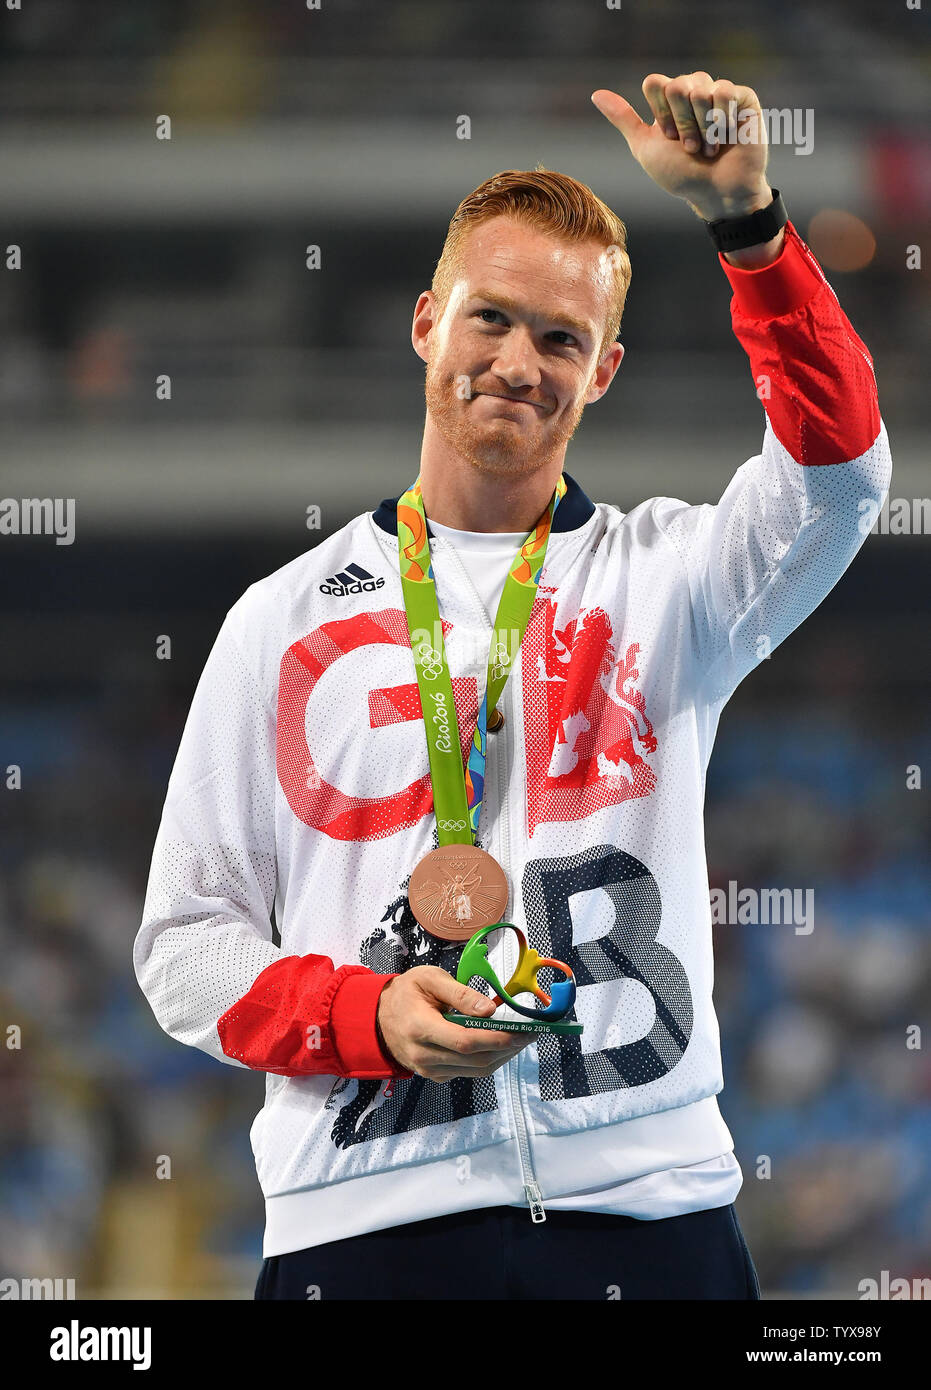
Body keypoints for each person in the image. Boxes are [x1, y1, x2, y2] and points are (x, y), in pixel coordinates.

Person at [134, 70, 891, 1300]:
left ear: (603, 372)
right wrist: (361, 1017)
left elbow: (841, 478)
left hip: (659, 1221)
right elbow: (182, 950)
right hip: (364, 1233)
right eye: (490, 318)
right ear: (426, 321)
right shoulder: (275, 624)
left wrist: (748, 225)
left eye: (560, 338)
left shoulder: (675, 581)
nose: (517, 360)